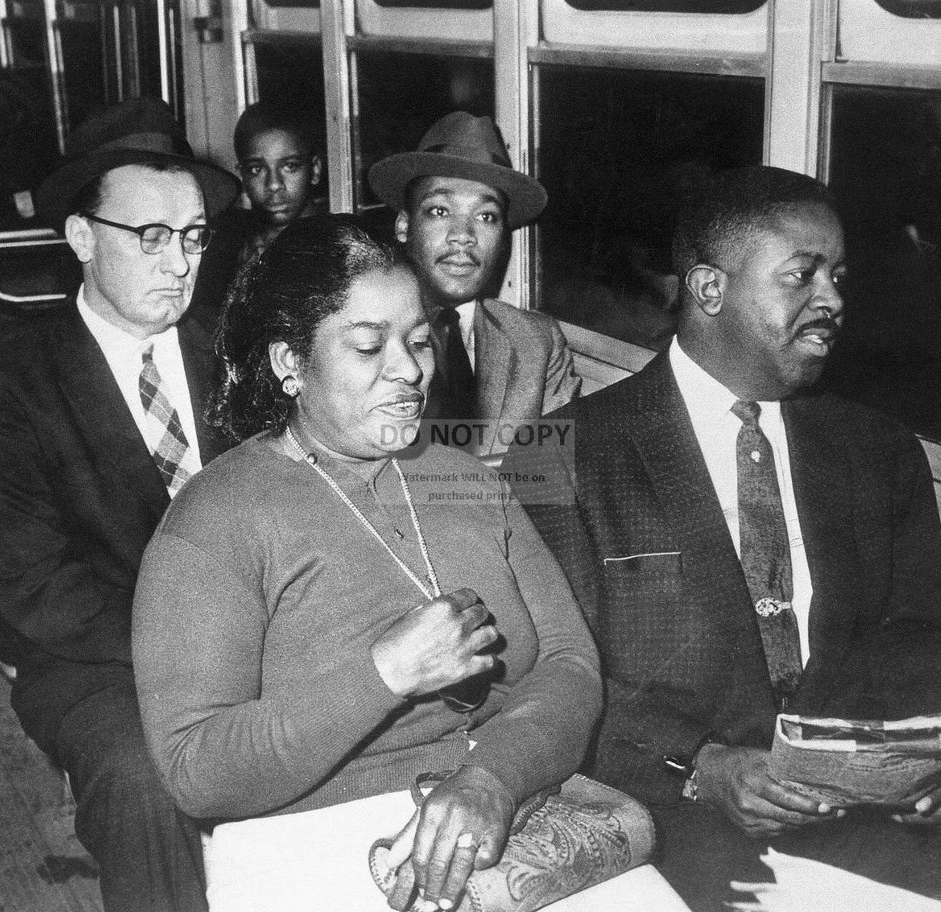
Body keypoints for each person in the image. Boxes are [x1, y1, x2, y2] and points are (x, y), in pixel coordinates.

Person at [503, 165, 941, 910]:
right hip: (666, 831)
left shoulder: (882, 449)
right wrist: (700, 766)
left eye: (837, 275)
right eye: (801, 276)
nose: (831, 299)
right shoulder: (552, 453)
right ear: (709, 290)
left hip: (870, 837)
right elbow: (548, 677)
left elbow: (924, 640)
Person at [131, 215, 603, 912]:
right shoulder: (214, 520)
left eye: (420, 341)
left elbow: (571, 662)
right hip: (310, 843)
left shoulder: (467, 479)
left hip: (508, 808)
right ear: (289, 363)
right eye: (367, 345)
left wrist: (492, 778)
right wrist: (385, 674)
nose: (410, 369)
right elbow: (193, 769)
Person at [0, 97, 239, 912]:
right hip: (95, 660)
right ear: (81, 238)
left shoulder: (237, 350)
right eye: (150, 236)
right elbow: (36, 585)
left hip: (259, 632)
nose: (179, 262)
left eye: (192, 237)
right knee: (146, 779)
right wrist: (199, 653)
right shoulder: (8, 383)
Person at [368, 111, 580, 455]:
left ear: (502, 237)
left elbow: (547, 483)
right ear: (404, 226)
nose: (463, 236)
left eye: (486, 216)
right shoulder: (362, 334)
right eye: (440, 211)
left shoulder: (535, 342)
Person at [190, 102, 323, 313]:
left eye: (290, 166)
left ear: (315, 170)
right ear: (241, 175)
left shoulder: (342, 247)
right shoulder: (222, 250)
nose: (274, 184)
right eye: (257, 169)